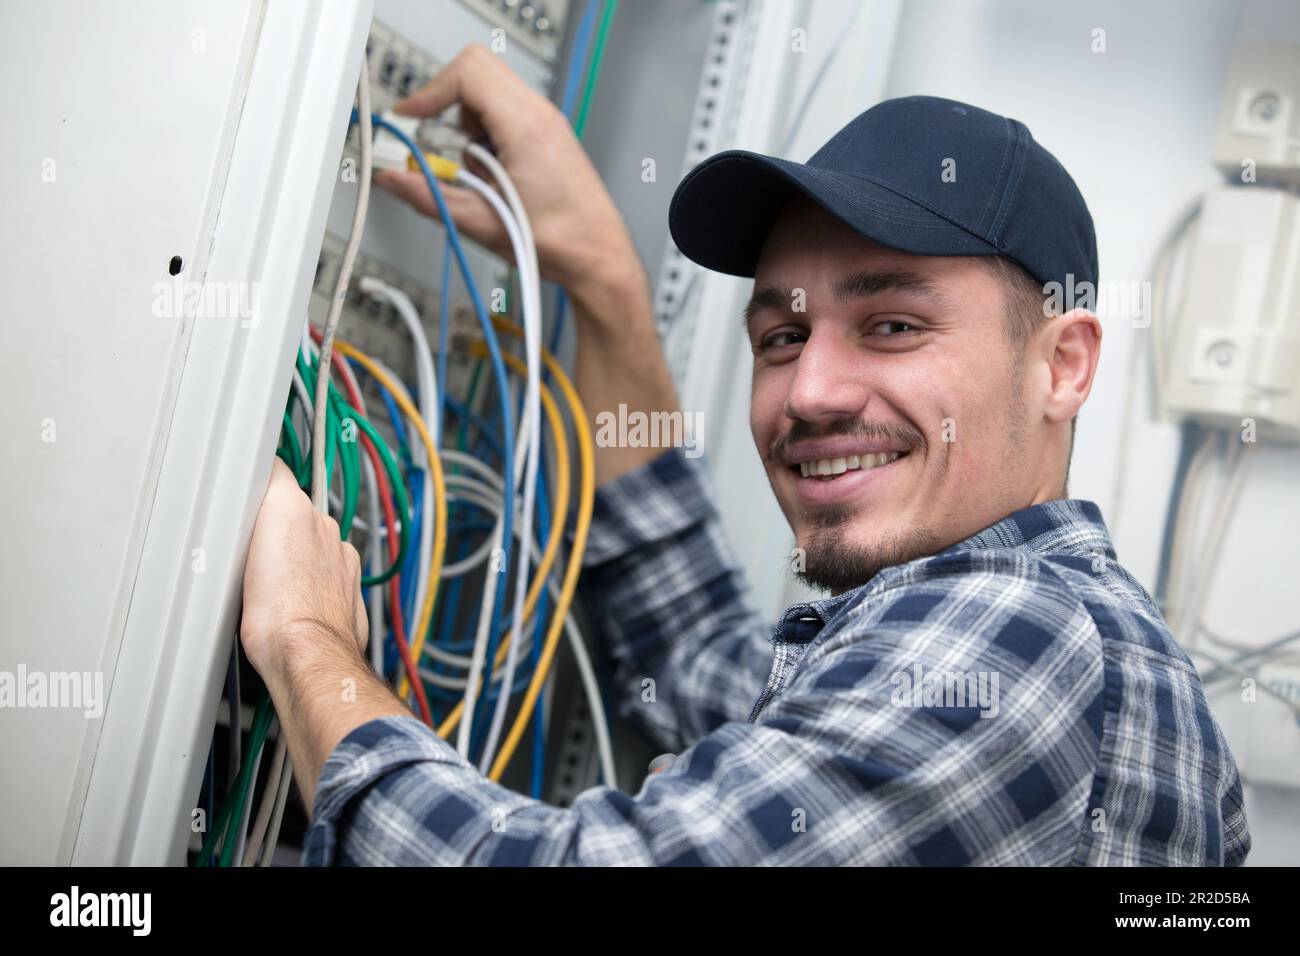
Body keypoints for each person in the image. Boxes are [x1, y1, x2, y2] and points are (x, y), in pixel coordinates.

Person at [240, 44, 1249, 865]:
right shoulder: (1033, 633)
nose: (808, 390)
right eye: (781, 336)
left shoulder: (1023, 637)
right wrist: (599, 277)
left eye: (892, 324)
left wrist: (306, 642)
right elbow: (691, 649)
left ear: (1061, 365)